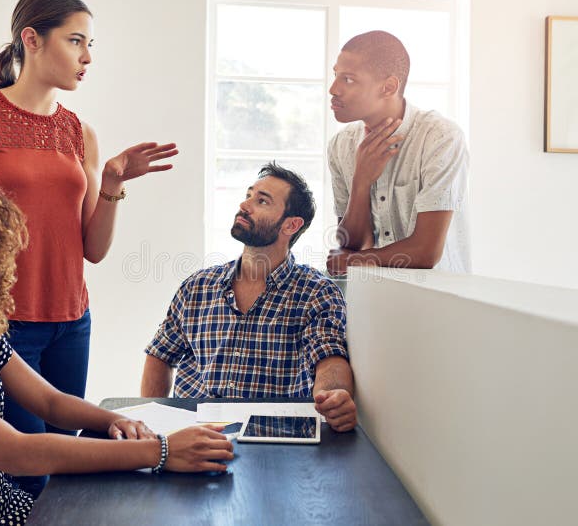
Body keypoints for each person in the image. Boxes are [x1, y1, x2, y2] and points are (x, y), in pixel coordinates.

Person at [0, 169, 233, 525]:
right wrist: (160, 451)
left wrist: (119, 420)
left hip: (4, 508)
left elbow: (50, 402)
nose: (7, 265)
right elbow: (15, 452)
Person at [0, 0, 178, 497]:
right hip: (2, 324)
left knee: (59, 472)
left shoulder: (78, 132)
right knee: (24, 471)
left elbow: (93, 248)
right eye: (75, 41)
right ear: (32, 39)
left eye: (90, 45)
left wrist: (111, 181)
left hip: (72, 321)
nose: (87, 57)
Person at [142, 163, 357, 433]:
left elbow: (330, 359)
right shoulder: (197, 286)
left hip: (273, 441)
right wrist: (151, 422)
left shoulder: (317, 292)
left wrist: (333, 397)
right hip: (193, 440)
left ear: (291, 224)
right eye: (249, 195)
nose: (245, 205)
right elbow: (159, 356)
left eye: (262, 201)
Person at [326, 30, 471, 276]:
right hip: (373, 298)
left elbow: (426, 252)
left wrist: (353, 261)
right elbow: (352, 245)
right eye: (335, 75)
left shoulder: (441, 137)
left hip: (440, 302)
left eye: (348, 79)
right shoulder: (341, 145)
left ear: (388, 86)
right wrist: (361, 180)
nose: (333, 89)